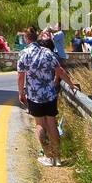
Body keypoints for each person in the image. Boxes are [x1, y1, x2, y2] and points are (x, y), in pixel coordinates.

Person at [17, 25, 77, 167]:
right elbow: (60, 70)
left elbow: (20, 77)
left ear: (26, 39)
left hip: (34, 95)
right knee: (52, 124)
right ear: (36, 37)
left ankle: (48, 156)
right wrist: (71, 84)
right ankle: (57, 157)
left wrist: (21, 93)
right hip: (50, 94)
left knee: (39, 125)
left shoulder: (24, 54)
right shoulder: (47, 52)